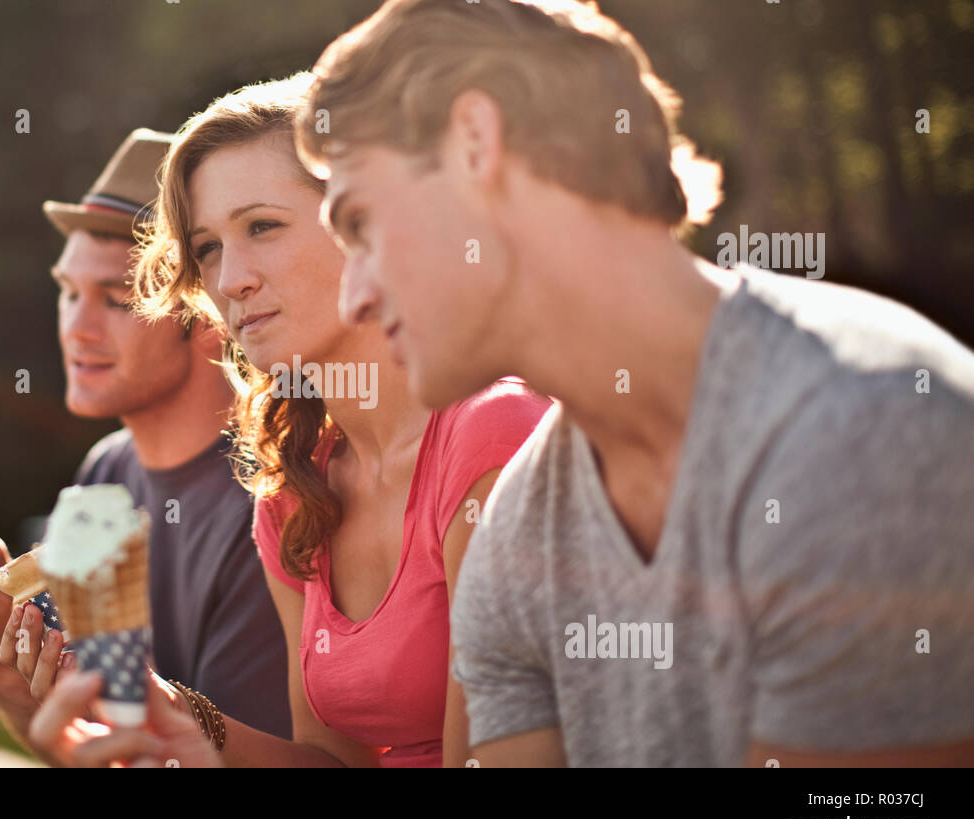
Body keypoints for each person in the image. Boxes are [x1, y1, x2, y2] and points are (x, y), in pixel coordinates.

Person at [291, 0, 974, 766]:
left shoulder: (857, 430)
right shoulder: (517, 530)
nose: (353, 296)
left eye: (362, 224)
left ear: (476, 143)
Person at [28, 74, 548, 768]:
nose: (230, 278)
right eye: (208, 247)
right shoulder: (292, 490)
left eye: (262, 226)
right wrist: (189, 724)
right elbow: (335, 759)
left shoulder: (493, 437)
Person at [0, 129, 292, 747]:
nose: (75, 329)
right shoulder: (104, 474)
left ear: (206, 313)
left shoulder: (272, 492)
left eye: (116, 300)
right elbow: (86, 744)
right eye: (67, 293)